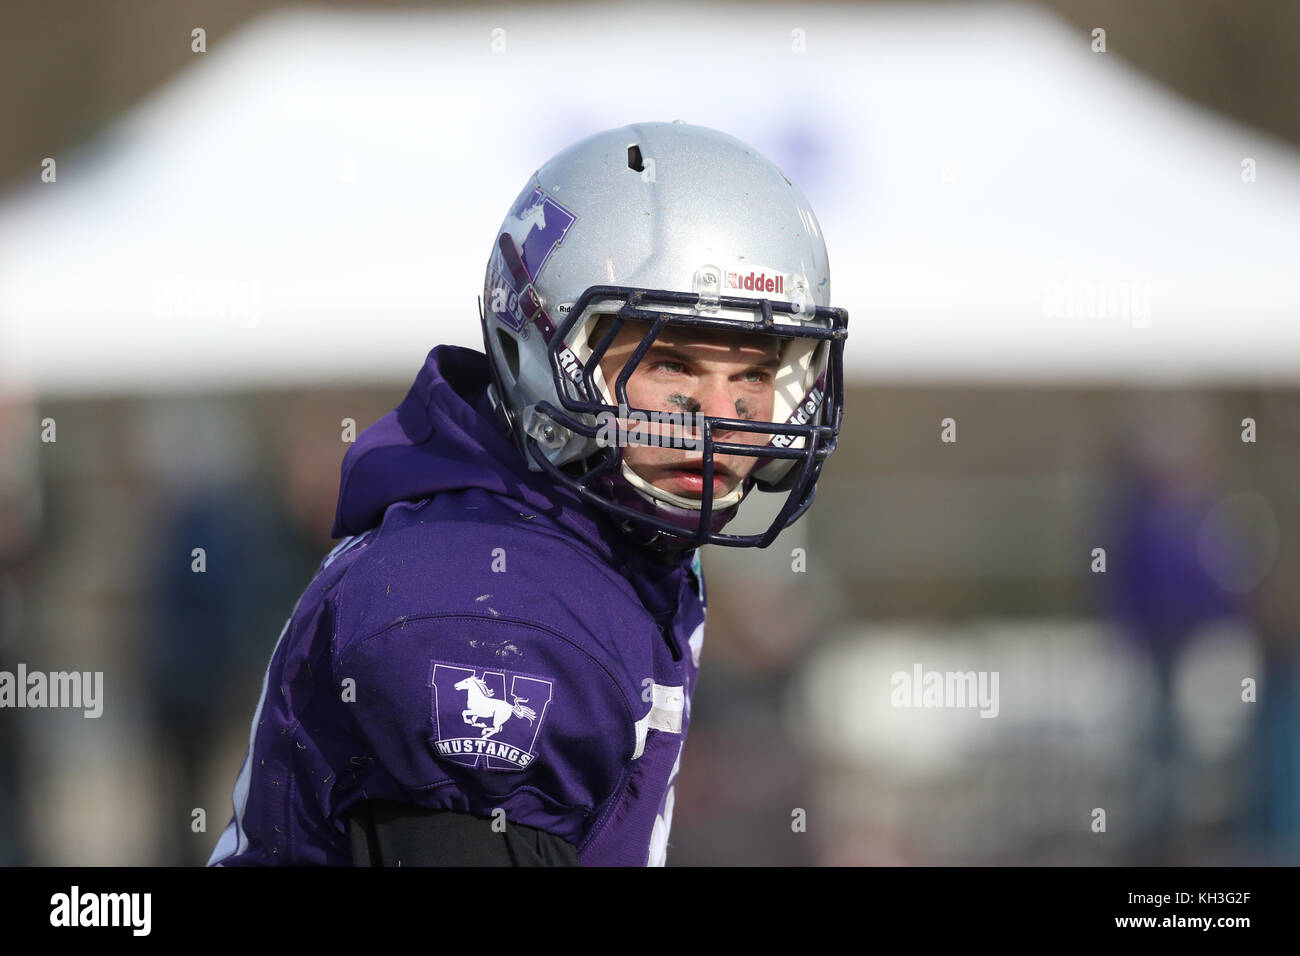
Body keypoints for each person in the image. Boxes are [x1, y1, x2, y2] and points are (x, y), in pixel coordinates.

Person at [207, 120, 848, 866]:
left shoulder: (602, 558)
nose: (716, 417)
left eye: (752, 375)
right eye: (669, 363)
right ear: (543, 350)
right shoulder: (491, 612)